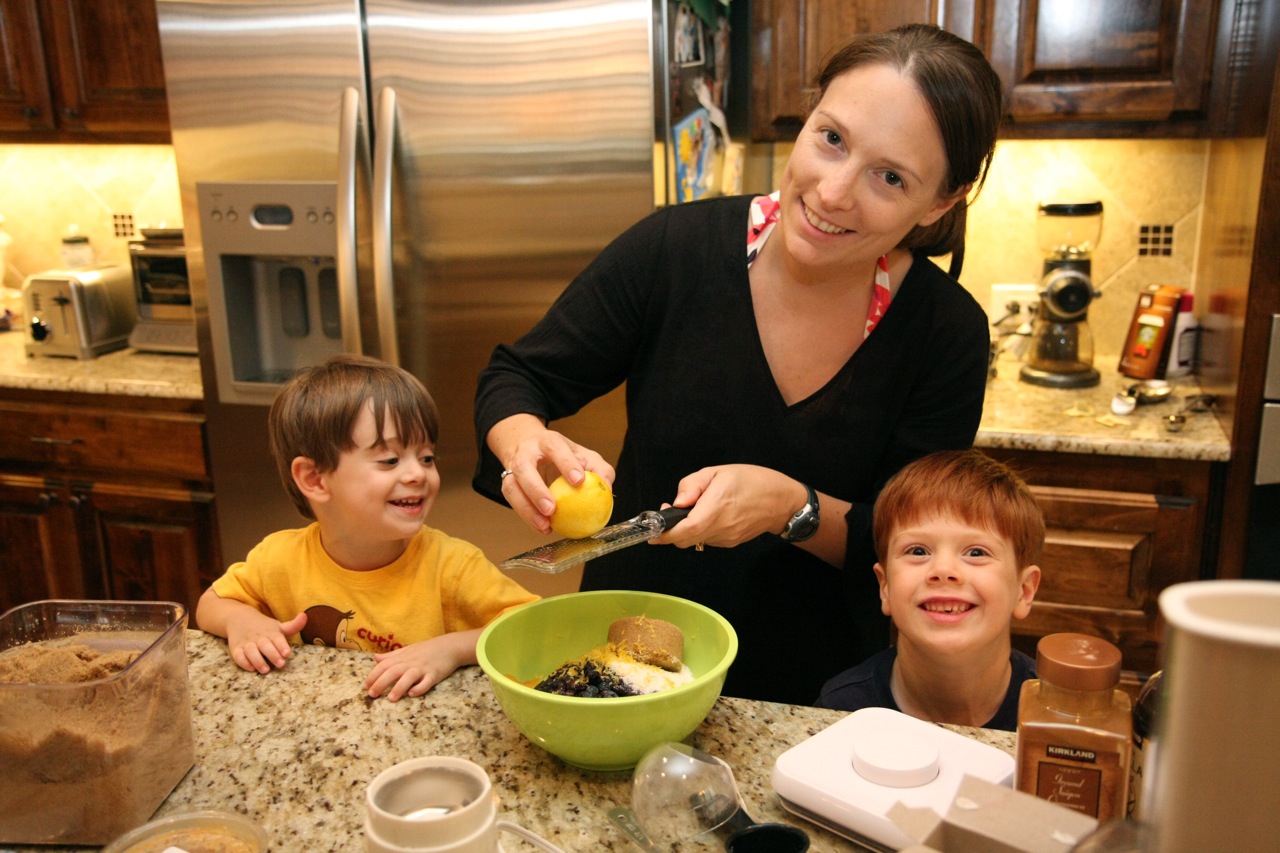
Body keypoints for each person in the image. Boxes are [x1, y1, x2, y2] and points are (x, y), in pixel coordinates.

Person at [472, 24, 1003, 704]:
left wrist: (793, 506)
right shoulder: (672, 250)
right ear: (806, 118)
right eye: (831, 138)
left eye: (890, 177)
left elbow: (917, 541)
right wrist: (523, 443)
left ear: (941, 201)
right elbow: (518, 376)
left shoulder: (945, 333)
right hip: (628, 667)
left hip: (819, 695)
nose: (834, 191)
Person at [197, 354, 539, 702]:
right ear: (315, 479)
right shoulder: (279, 559)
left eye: (426, 457)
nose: (418, 474)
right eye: (390, 460)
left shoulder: (452, 567)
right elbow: (211, 603)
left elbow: (532, 626)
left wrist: (450, 649)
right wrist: (240, 621)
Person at [814, 450, 1043, 731]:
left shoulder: (1061, 714)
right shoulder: (839, 713)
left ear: (1023, 591)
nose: (943, 570)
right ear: (884, 587)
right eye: (918, 550)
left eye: (976, 552)